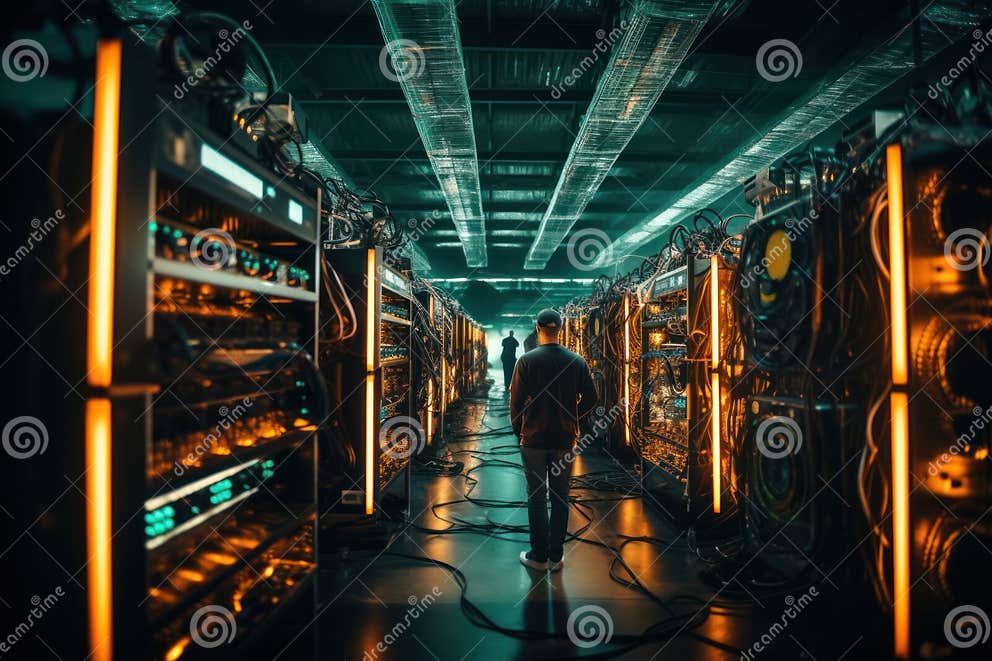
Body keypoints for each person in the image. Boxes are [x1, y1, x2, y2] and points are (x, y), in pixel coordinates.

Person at [509, 309, 597, 572]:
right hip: (565, 440)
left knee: (536, 498)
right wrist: (573, 419)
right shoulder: (577, 361)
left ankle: (539, 557)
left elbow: (515, 404)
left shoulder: (526, 361)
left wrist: (519, 431)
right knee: (560, 497)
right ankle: (557, 557)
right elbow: (592, 399)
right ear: (560, 328)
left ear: (537, 328)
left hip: (534, 440)